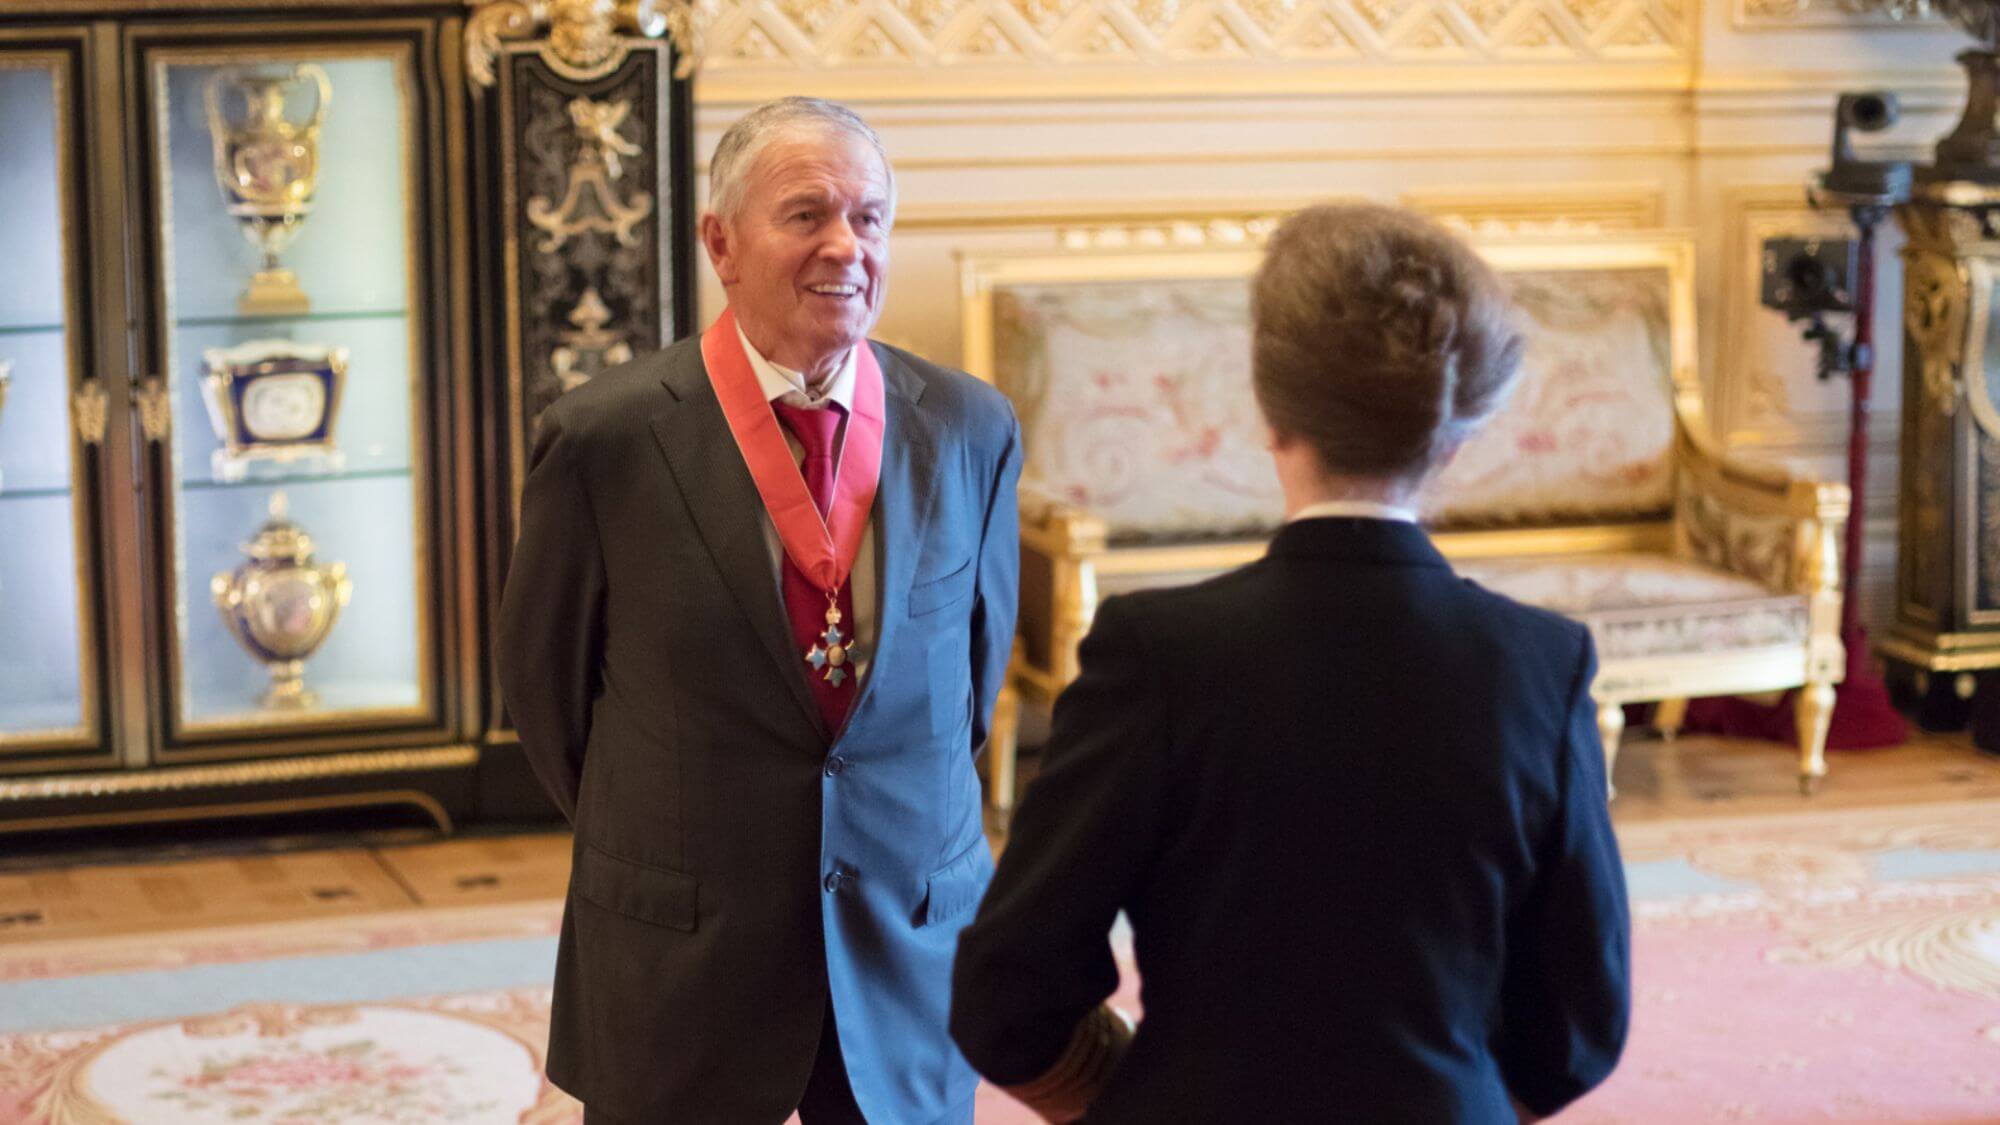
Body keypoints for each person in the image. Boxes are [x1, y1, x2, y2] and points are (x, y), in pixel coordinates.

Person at [950, 203, 1630, 1124]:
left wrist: (1134, 1092)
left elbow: (1005, 993)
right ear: (1455, 440)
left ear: (1272, 414)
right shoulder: (1540, 667)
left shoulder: (1155, 655)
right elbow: (1583, 1022)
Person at [499, 96, 1021, 1124]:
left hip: (903, 920)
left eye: (868, 219)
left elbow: (972, 673)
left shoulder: (968, 425)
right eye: (807, 215)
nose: (845, 246)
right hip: (686, 930)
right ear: (720, 243)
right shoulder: (602, 441)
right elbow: (550, 702)